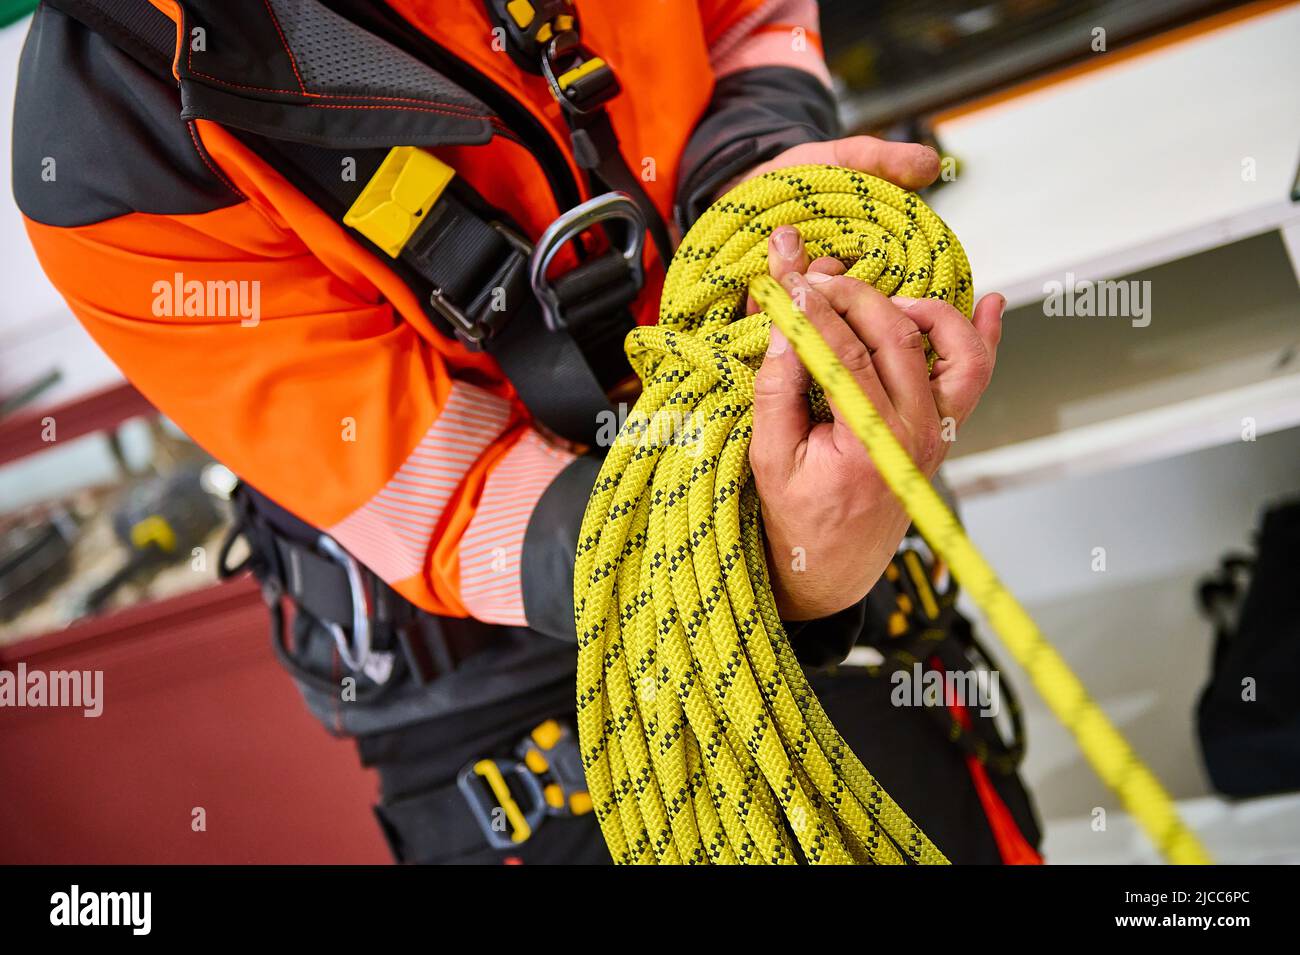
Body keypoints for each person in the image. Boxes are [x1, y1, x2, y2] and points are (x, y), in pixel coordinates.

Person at [13, 0, 1036, 863]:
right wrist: (769, 562)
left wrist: (754, 182)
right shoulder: (117, 137)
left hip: (795, 510)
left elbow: (747, 26)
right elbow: (448, 495)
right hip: (515, 709)